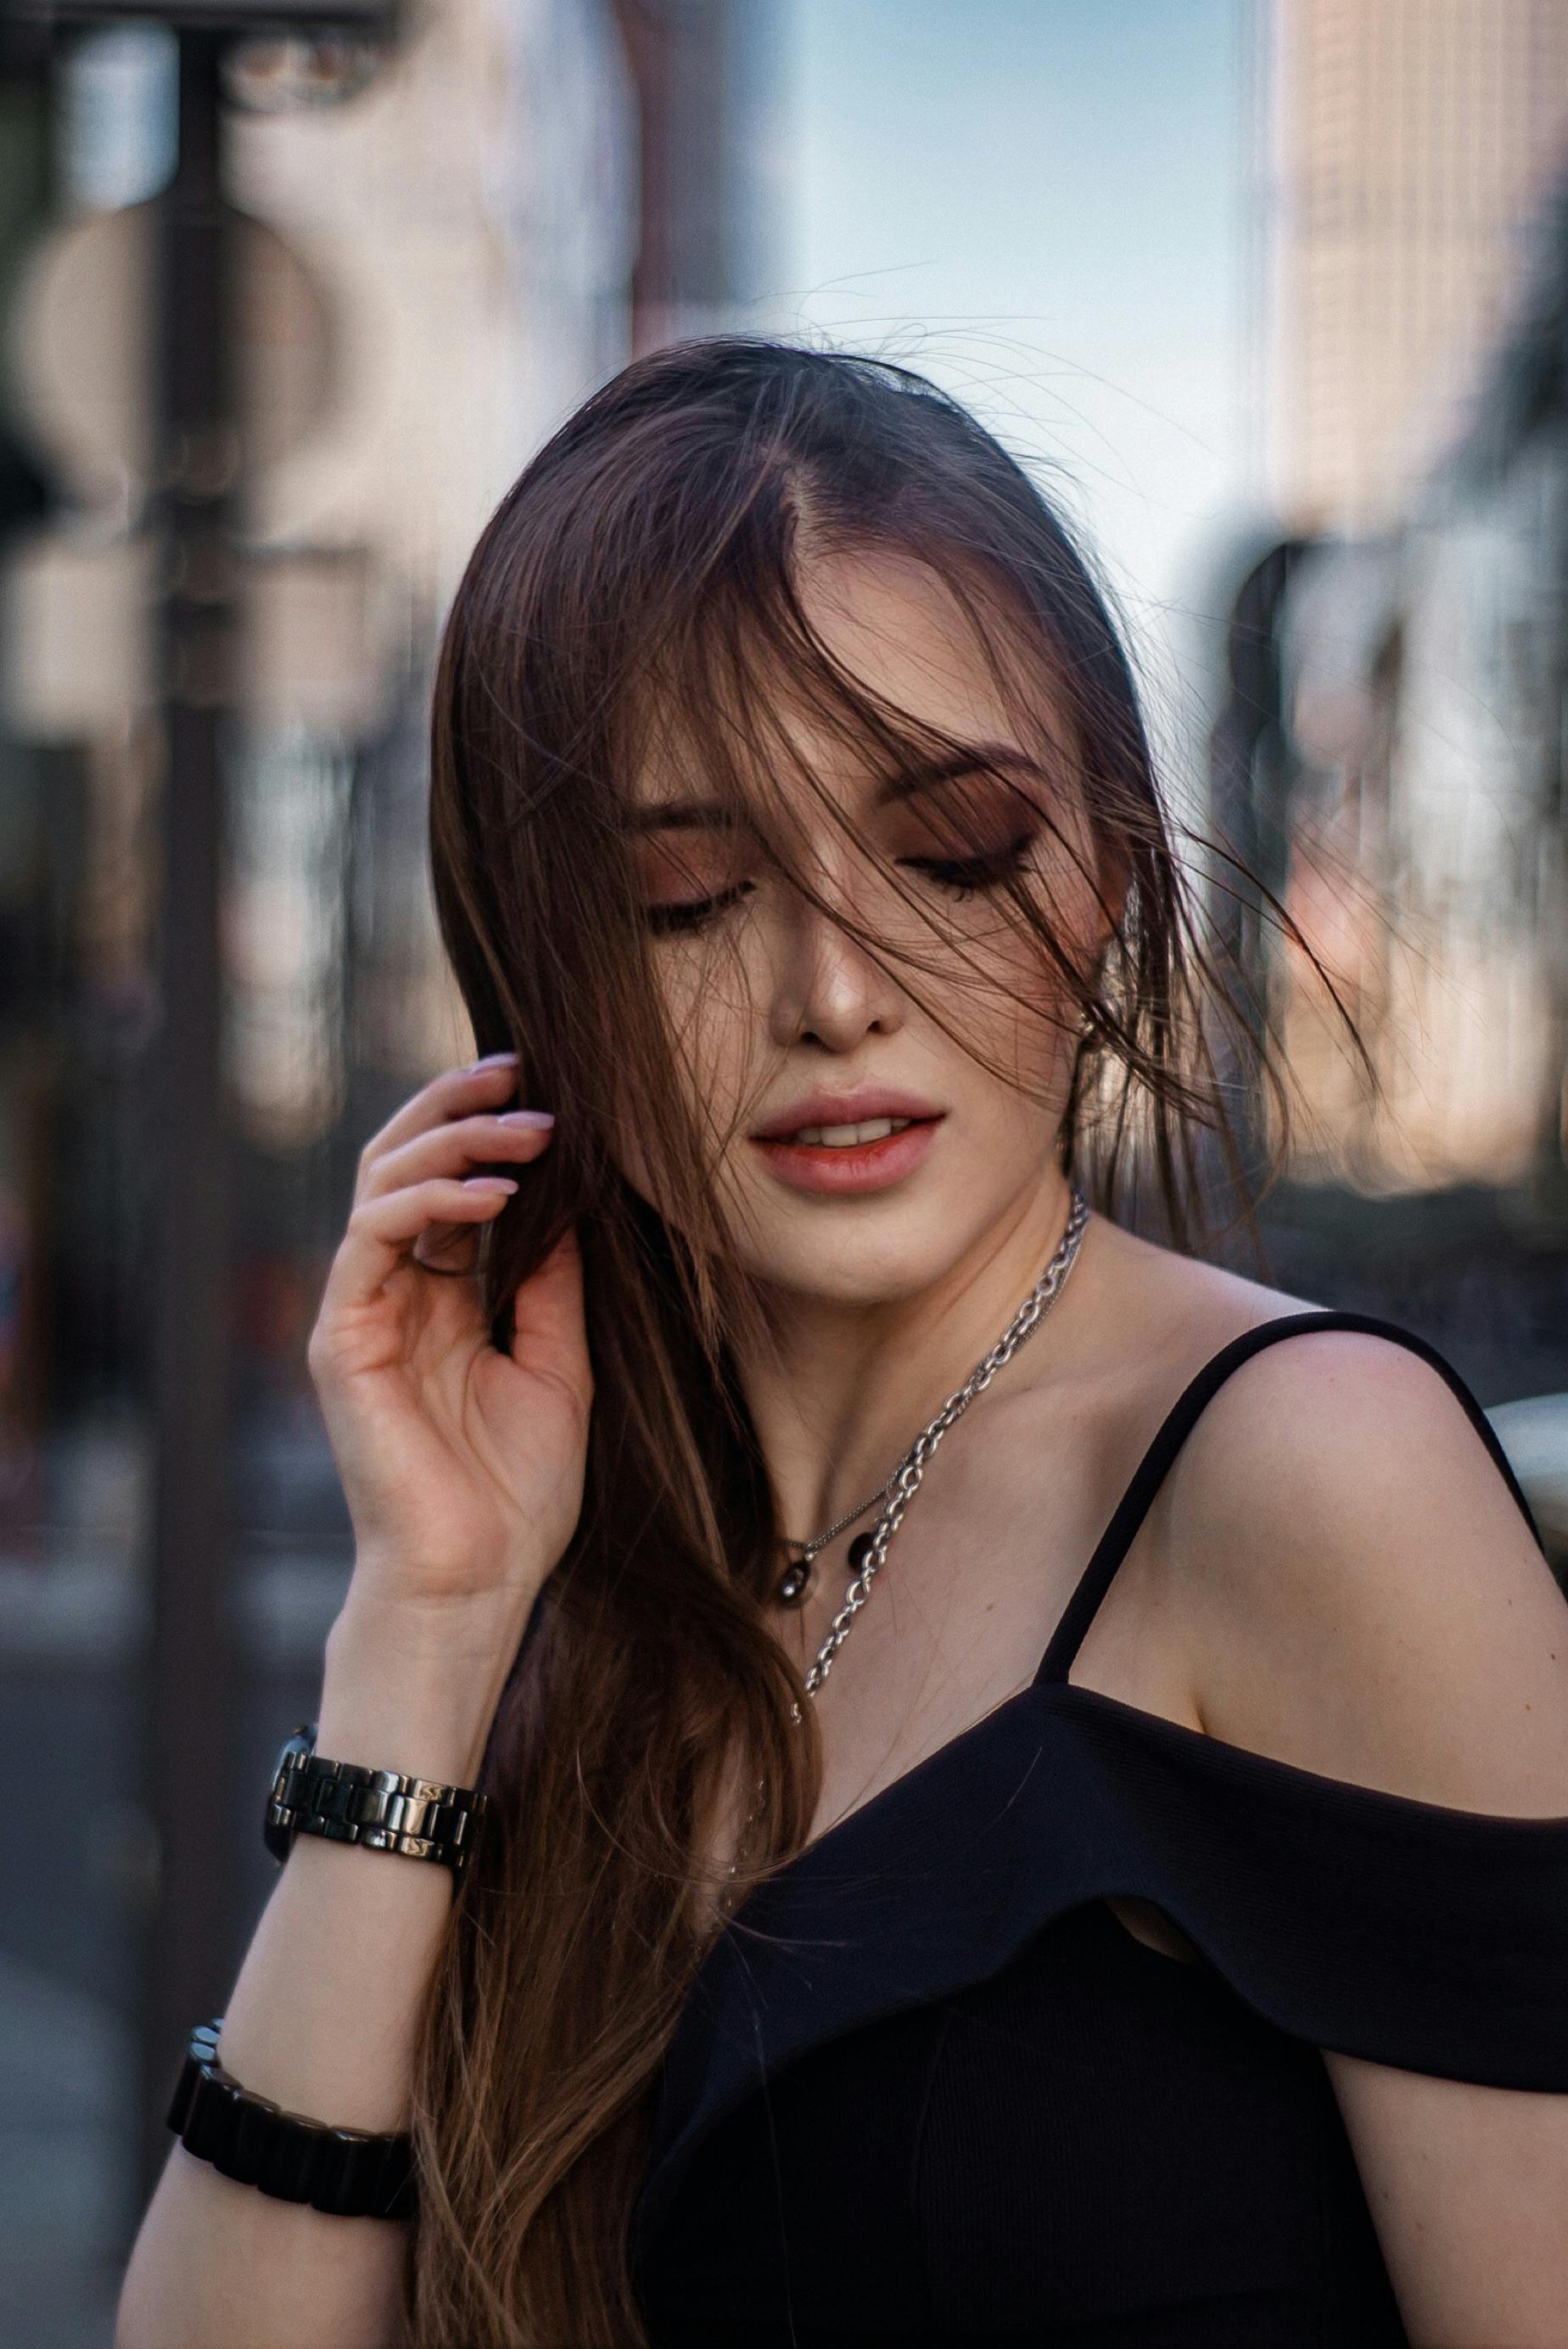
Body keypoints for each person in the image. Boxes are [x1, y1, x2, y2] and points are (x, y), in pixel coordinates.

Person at [117, 340, 1568, 2349]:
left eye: (952, 849)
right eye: (686, 895)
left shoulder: (1311, 1474)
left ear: (1113, 874)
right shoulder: (572, 1563)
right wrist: (427, 1624)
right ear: (544, 965)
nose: (832, 991)